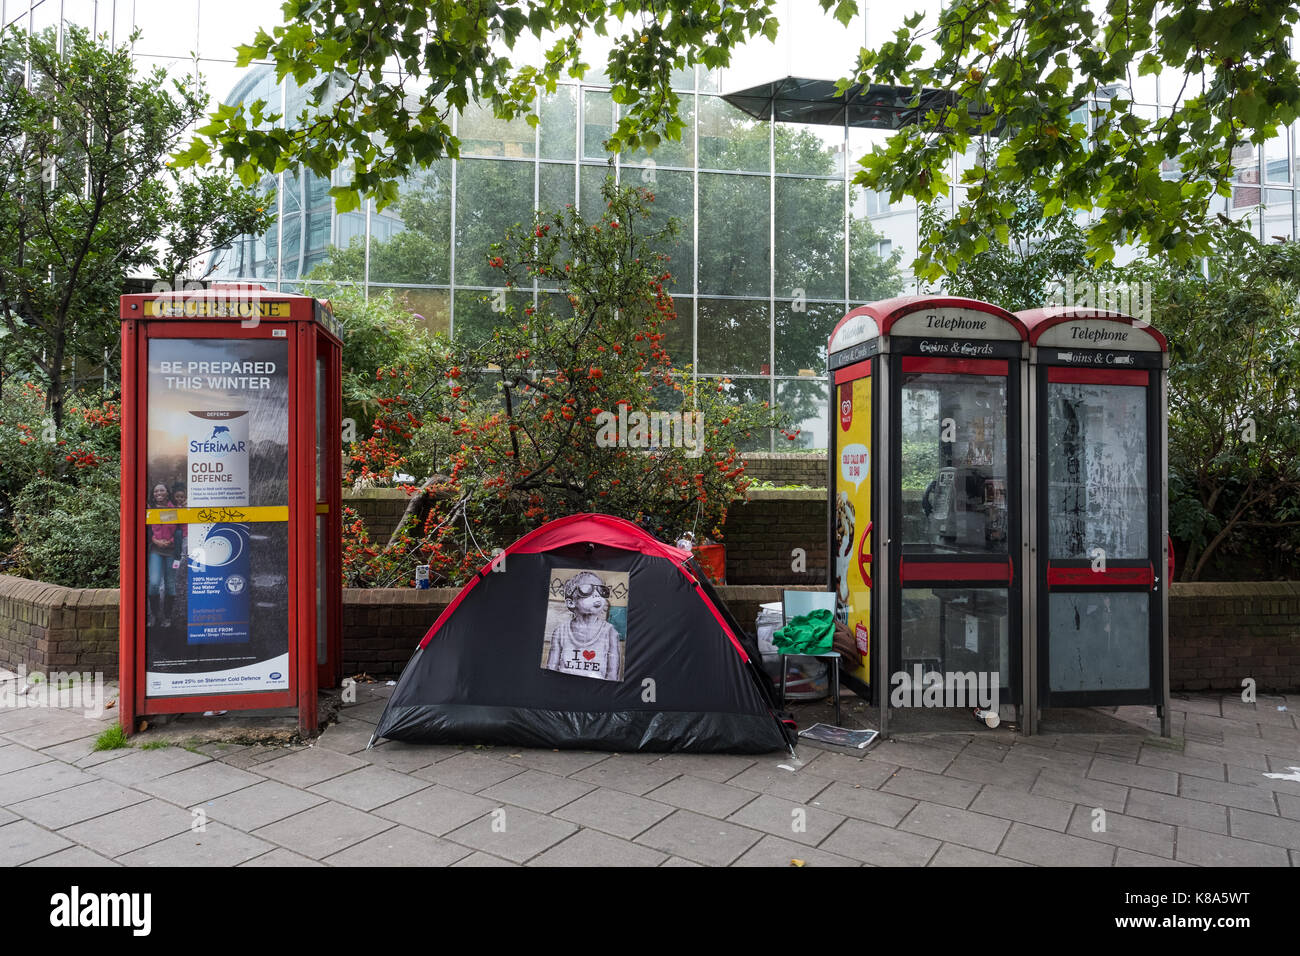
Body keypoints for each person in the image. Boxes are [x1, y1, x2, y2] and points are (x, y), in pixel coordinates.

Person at [543, 571, 622, 681]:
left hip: (596, 690)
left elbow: (612, 675)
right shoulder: (560, 632)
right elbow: (551, 669)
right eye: (586, 590)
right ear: (571, 603)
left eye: (601, 590)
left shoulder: (610, 632)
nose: (596, 594)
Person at [145, 483, 178, 628]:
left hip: (172, 551)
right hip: (156, 550)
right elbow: (147, 530)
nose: (158, 492)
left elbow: (182, 528)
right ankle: (155, 615)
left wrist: (170, 541)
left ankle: (168, 616)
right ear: (153, 494)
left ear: (167, 493)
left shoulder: (175, 509)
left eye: (162, 490)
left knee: (170, 586)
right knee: (153, 584)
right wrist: (155, 541)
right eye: (156, 490)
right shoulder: (149, 510)